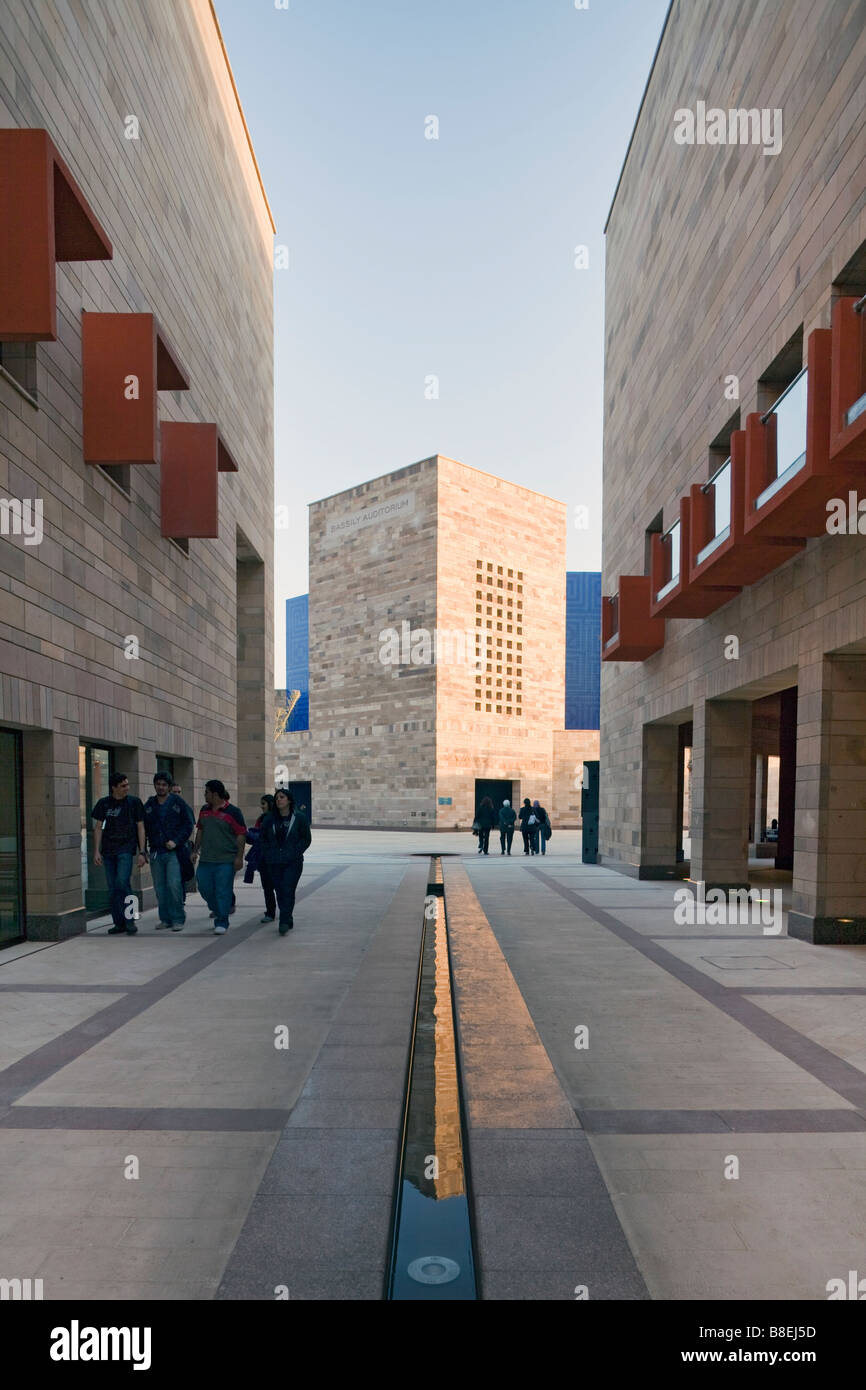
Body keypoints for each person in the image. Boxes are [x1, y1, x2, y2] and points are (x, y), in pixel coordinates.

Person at [91, 772, 146, 936]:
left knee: (123, 882)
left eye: (127, 785)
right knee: (113, 887)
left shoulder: (134, 803)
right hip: (108, 851)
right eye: (123, 786)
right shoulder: (104, 804)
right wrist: (96, 851)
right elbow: (98, 827)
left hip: (126, 849)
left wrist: (142, 851)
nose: (126, 788)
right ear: (113, 787)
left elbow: (141, 827)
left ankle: (131, 919)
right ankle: (119, 923)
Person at [192, 780, 246, 934]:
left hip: (226, 860)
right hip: (206, 859)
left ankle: (222, 921)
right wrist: (195, 850)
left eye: (206, 793)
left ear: (215, 794)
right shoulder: (204, 810)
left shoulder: (233, 812)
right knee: (204, 888)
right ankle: (218, 909)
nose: (204, 796)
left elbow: (241, 835)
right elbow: (200, 831)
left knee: (223, 891)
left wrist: (239, 857)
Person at [143, 772, 194, 931]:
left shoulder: (177, 802)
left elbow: (188, 825)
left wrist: (176, 841)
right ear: (155, 785)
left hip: (174, 852)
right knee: (160, 887)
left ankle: (178, 918)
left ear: (169, 787)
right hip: (156, 852)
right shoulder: (150, 805)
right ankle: (165, 919)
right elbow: (142, 828)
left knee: (173, 885)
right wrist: (143, 850)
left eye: (164, 784)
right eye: (158, 784)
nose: (161, 787)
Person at [259, 788, 312, 934]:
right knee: (280, 891)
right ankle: (287, 916)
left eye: (282, 797)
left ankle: (283, 921)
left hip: (293, 861)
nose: (278, 800)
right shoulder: (269, 818)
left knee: (288, 889)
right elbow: (262, 838)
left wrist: (295, 852)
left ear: (289, 800)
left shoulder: (299, 818)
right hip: (274, 861)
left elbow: (306, 839)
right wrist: (268, 853)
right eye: (277, 798)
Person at [244, 794, 277, 923]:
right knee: (267, 887)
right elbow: (256, 839)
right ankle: (270, 912)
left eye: (263, 803)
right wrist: (248, 834)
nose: (261, 806)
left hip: (276, 859)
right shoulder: (261, 819)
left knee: (279, 887)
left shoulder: (277, 818)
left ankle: (284, 910)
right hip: (263, 859)